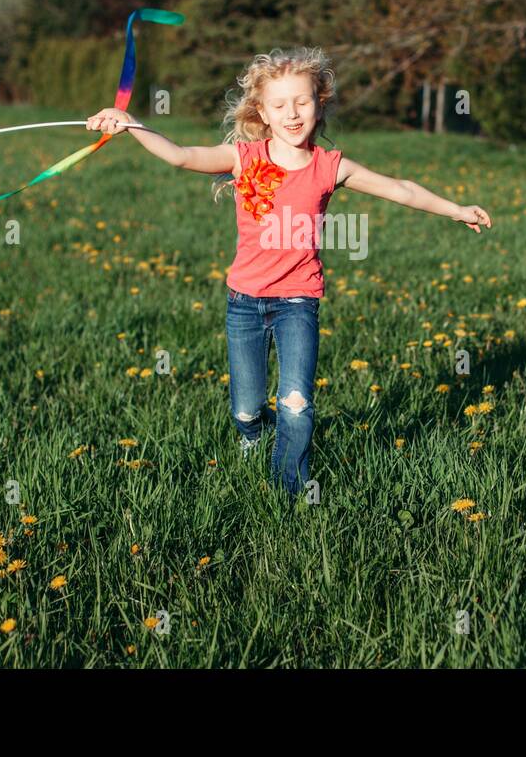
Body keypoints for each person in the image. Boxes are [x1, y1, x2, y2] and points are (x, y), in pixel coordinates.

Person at [87, 48, 491, 500]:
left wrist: (454, 209)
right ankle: (252, 436)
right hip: (244, 301)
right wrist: (131, 123)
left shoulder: (329, 166)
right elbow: (181, 156)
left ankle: (290, 492)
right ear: (262, 111)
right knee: (246, 407)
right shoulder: (244, 158)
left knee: (296, 405)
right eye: (279, 105)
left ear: (319, 102)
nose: (292, 114)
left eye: (301, 102)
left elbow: (400, 188)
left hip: (298, 302)